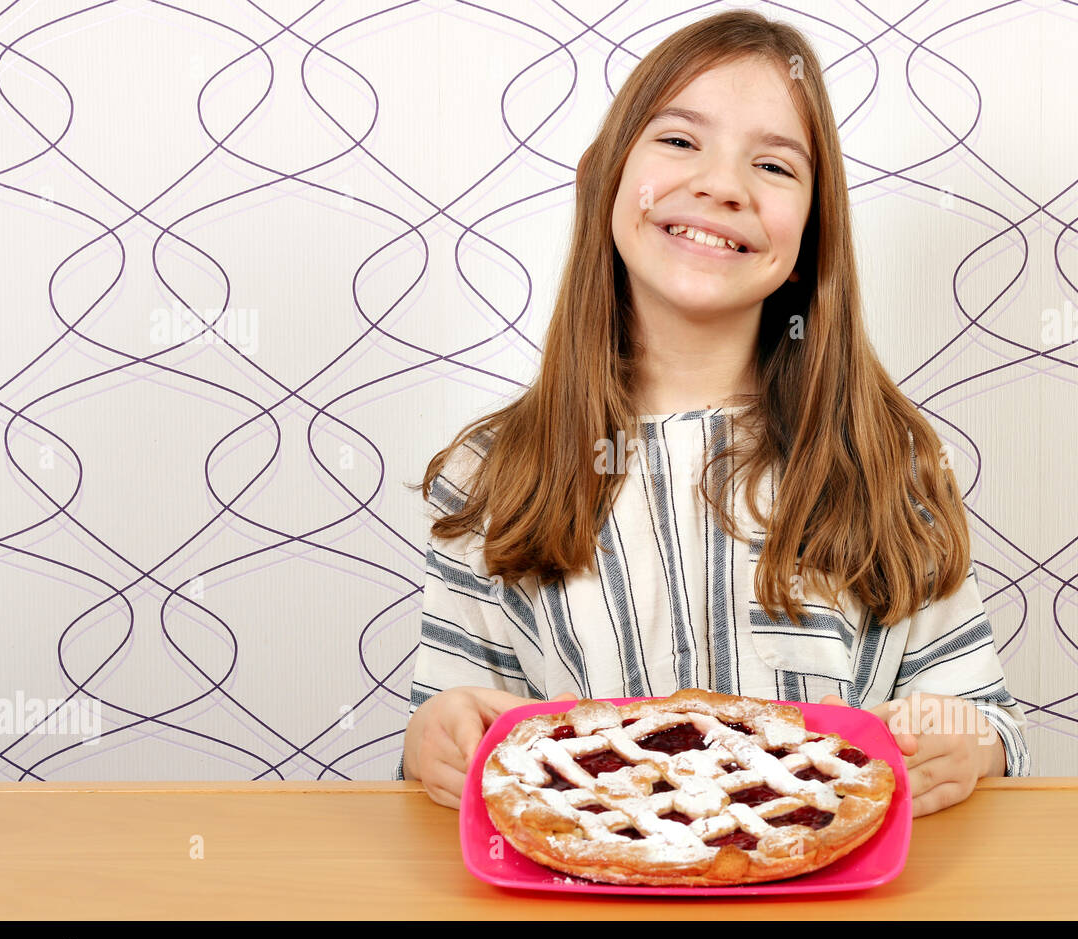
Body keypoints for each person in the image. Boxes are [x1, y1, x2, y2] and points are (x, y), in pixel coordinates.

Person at [397, 10, 1031, 818]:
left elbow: (984, 718)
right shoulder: (491, 477)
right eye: (679, 140)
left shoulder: (884, 461)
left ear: (810, 236)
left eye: (772, 164)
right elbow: (450, 735)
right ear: (602, 181)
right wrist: (433, 737)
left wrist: (968, 742)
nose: (723, 185)